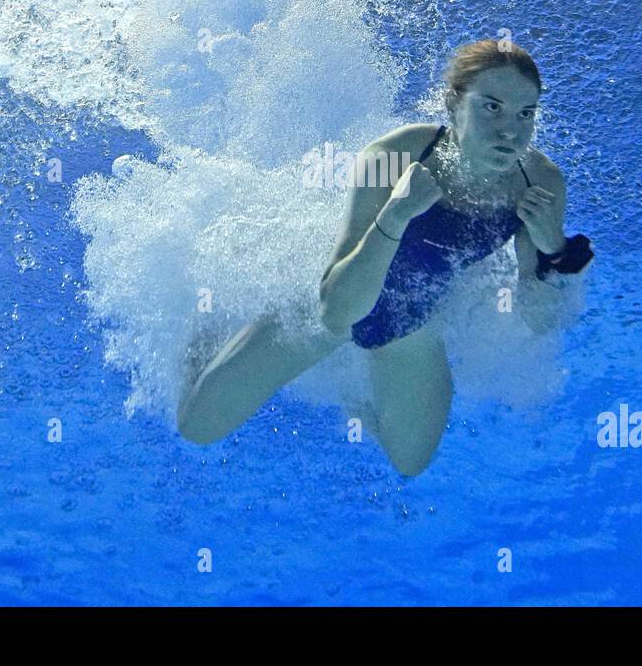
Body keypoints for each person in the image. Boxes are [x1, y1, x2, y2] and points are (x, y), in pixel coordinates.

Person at [177, 39, 593, 475]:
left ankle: (354, 389)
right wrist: (397, 215)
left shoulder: (538, 183)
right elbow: (335, 309)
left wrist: (554, 252)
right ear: (453, 105)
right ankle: (211, 333)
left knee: (410, 463)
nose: (511, 130)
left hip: (411, 326)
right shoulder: (392, 156)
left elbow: (540, 320)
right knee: (197, 428)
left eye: (526, 113)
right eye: (492, 107)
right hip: (329, 309)